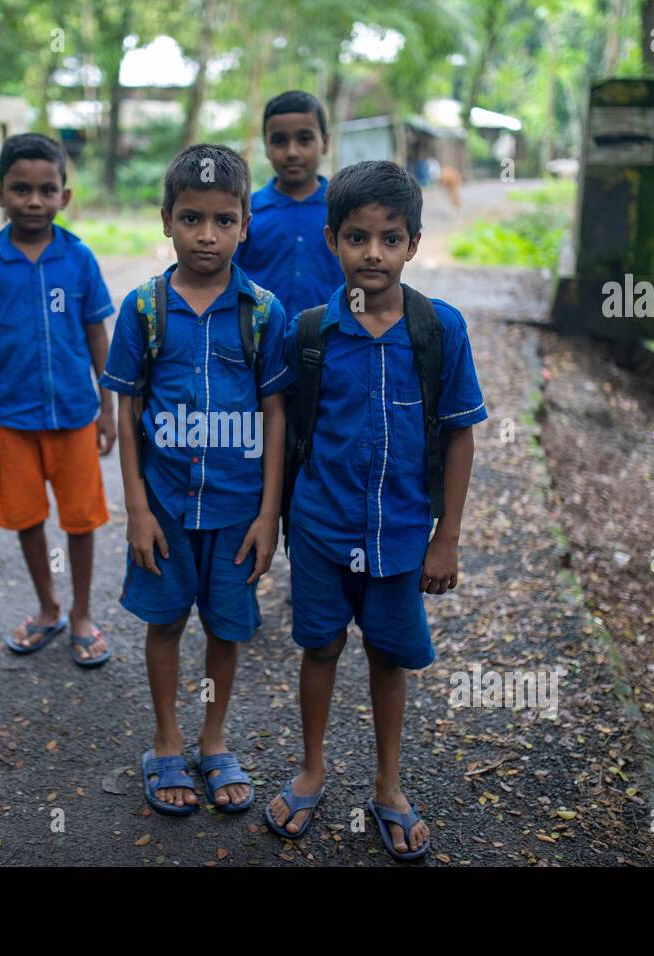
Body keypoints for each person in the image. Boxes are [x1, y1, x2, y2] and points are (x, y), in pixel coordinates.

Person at [266, 160, 487, 860]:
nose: (372, 254)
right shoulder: (308, 334)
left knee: (389, 657)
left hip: (398, 536)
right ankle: (311, 768)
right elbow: (284, 431)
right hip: (322, 531)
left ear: (414, 243)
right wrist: (273, 523)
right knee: (320, 647)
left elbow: (459, 434)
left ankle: (389, 785)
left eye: (390, 239)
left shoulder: (439, 331)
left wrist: (445, 537)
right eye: (357, 237)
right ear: (332, 240)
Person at [100, 144, 293, 815]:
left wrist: (270, 515)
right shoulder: (144, 309)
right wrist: (136, 508)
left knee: (226, 629)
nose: (206, 235)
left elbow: (275, 414)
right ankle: (166, 739)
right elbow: (126, 410)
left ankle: (213, 739)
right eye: (190, 219)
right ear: (165, 221)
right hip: (165, 509)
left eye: (222, 220)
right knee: (163, 624)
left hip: (238, 512)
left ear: (245, 224)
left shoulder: (265, 313)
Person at [0, 132, 116, 668]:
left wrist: (108, 404)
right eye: (21, 189)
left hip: (74, 414)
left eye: (47, 190)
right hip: (14, 419)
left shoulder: (79, 259)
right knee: (26, 516)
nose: (33, 201)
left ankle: (83, 612)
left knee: (82, 519)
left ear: (64, 197)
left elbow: (98, 333)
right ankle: (49, 609)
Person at [233, 90, 344, 317]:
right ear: (266, 146)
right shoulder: (244, 212)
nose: (292, 152)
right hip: (259, 343)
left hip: (332, 340)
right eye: (280, 141)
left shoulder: (347, 209)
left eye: (304, 139)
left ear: (324, 142)